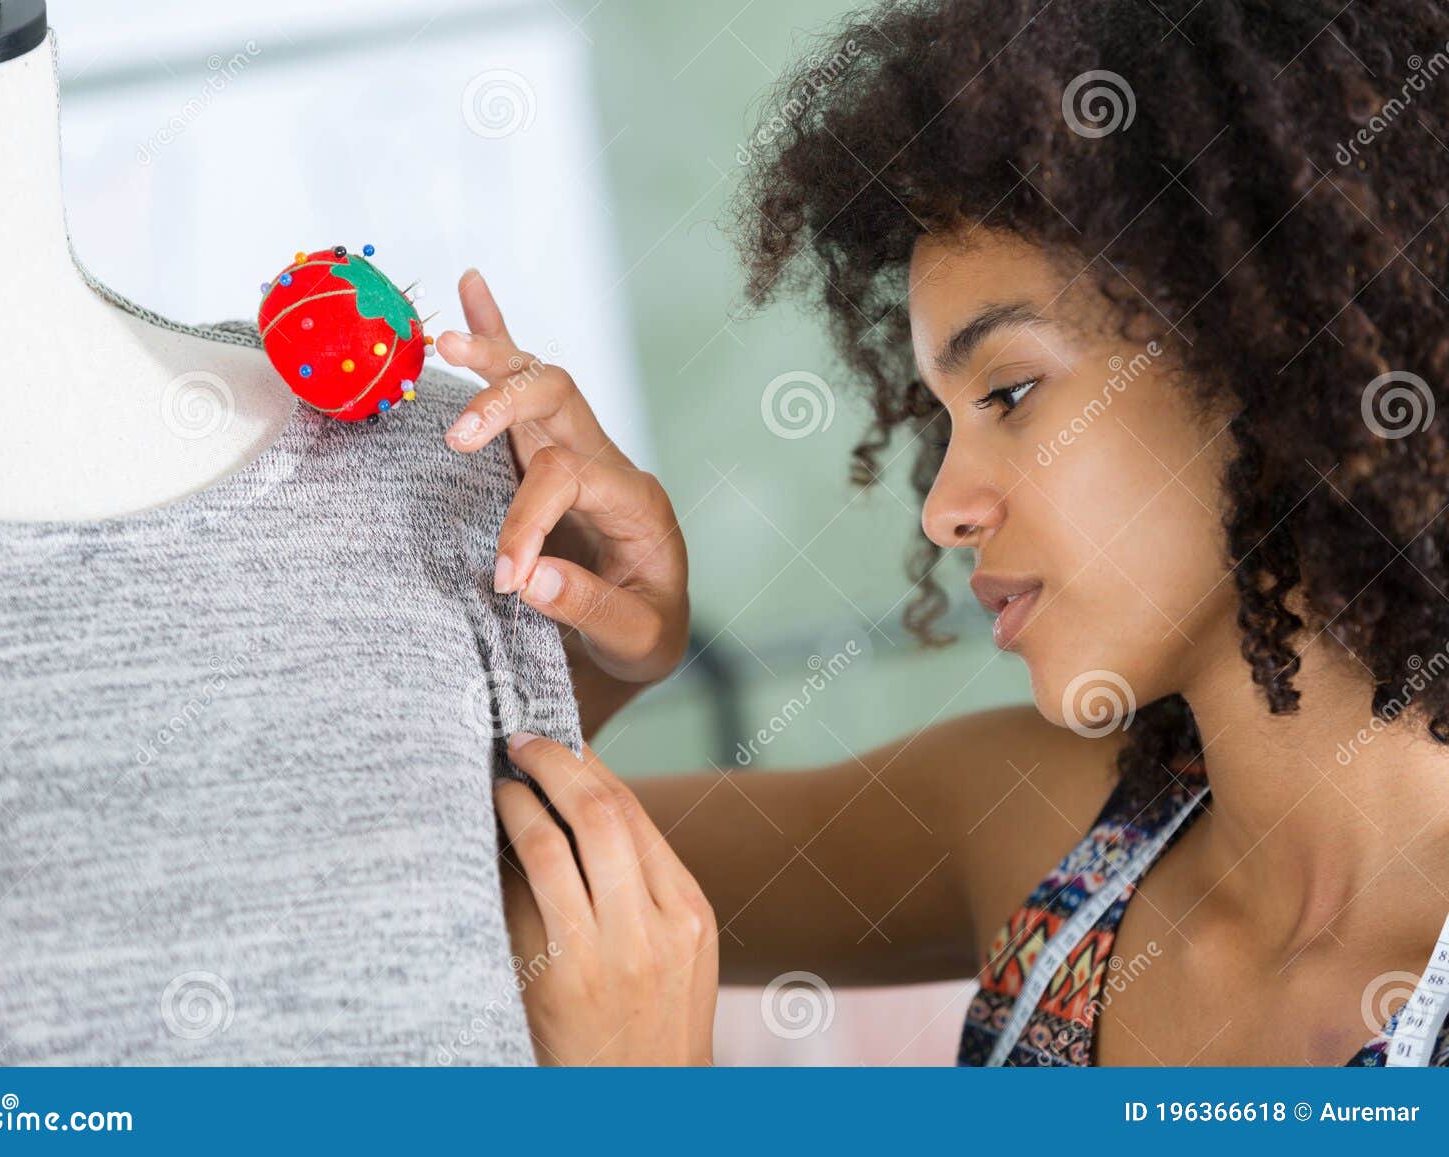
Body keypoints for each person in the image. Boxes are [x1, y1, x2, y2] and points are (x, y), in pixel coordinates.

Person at [433, 0, 1449, 1067]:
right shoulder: (1034, 815)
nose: (942, 509)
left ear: (1270, 359)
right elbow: (473, 873)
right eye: (940, 418)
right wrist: (592, 662)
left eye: (1009, 392)